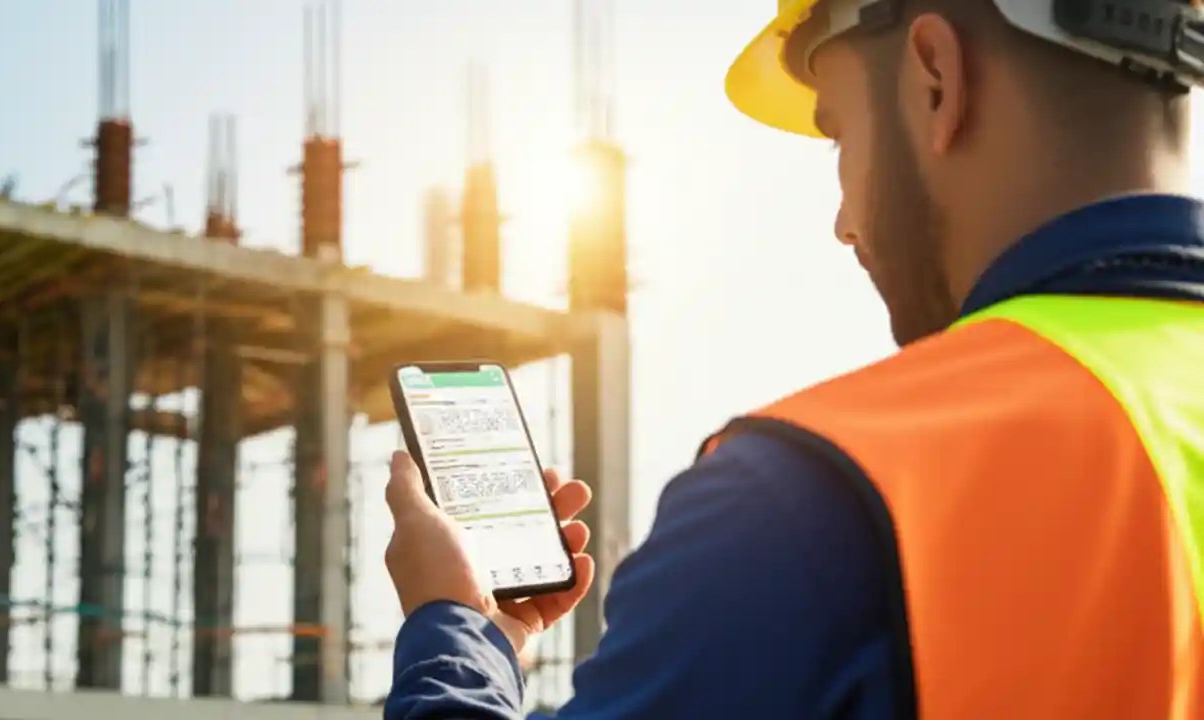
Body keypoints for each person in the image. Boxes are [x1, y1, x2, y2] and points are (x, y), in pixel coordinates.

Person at [384, 0, 1204, 716]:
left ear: (934, 80)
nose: (845, 222)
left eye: (837, 136)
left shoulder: (808, 498)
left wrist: (456, 632)